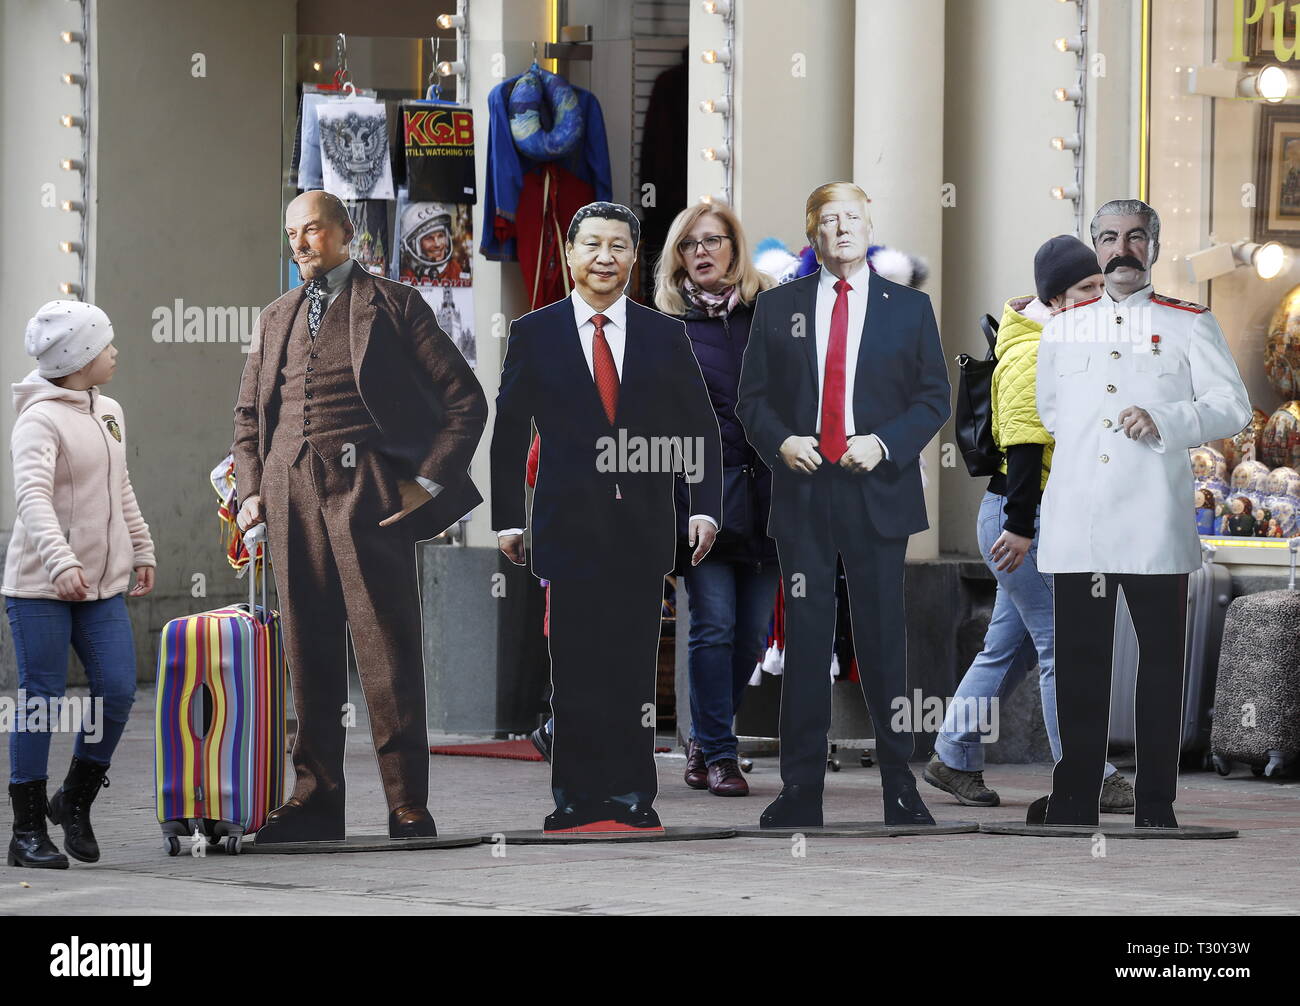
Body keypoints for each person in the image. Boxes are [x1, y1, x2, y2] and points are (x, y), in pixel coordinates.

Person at [233, 190, 487, 843]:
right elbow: (248, 421)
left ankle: (408, 804)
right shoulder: (273, 317)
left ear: (346, 235)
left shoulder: (396, 305)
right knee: (307, 652)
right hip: (291, 495)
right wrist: (253, 492)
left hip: (368, 493)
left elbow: (465, 398)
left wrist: (426, 482)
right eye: (292, 232)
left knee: (387, 654)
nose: (300, 243)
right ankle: (315, 798)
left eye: (313, 230)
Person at [491, 201, 722, 834]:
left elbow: (698, 425)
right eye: (591, 244)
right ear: (569, 255)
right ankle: (575, 797)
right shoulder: (535, 333)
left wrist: (704, 507)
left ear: (634, 259)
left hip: (643, 528)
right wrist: (509, 518)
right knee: (576, 667)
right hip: (567, 526)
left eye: (618, 246)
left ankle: (630, 796)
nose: (604, 258)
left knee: (630, 672)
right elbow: (510, 430)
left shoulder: (662, 335)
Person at [737, 182, 951, 828]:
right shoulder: (780, 308)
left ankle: (900, 789)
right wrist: (783, 441)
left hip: (876, 492)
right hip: (805, 494)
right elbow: (752, 402)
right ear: (812, 234)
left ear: (869, 225)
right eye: (828, 221)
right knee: (805, 644)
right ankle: (800, 790)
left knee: (884, 642)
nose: (841, 230)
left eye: (852, 218)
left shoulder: (908, 309)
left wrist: (884, 444)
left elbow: (933, 399)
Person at [1031, 198, 1251, 828]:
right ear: (1094, 247)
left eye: (1134, 237)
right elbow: (1053, 415)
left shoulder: (1189, 322)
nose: (1121, 248)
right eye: (1107, 238)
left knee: (1159, 667)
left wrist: (1168, 419)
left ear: (1153, 246)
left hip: (1154, 520)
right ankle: (1074, 798)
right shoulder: (1063, 328)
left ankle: (1156, 804)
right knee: (1079, 666)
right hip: (1081, 520)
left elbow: (1230, 406)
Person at [923, 236, 1135, 813]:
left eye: (1100, 286)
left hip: (1043, 518)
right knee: (1063, 646)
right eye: (1087, 289)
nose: (1099, 296)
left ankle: (953, 754)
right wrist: (1018, 528)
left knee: (1008, 649)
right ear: (1058, 297)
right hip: (1025, 522)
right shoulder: (1033, 351)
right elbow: (1021, 446)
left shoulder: (1068, 340)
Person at [5, 301, 155, 868]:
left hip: (101, 586)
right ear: (79, 358)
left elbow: (121, 485)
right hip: (40, 586)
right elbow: (32, 498)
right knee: (41, 701)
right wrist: (61, 561)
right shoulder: (38, 420)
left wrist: (140, 547)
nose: (114, 352)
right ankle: (25, 833)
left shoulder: (109, 409)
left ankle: (75, 800)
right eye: (105, 345)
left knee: (117, 691)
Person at [653, 201, 778, 798]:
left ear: (734, 246)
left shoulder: (769, 317)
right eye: (688, 244)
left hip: (772, 500)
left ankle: (704, 739)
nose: (701, 252)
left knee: (752, 635)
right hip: (703, 501)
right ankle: (720, 753)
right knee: (714, 627)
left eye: (712, 240)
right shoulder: (666, 329)